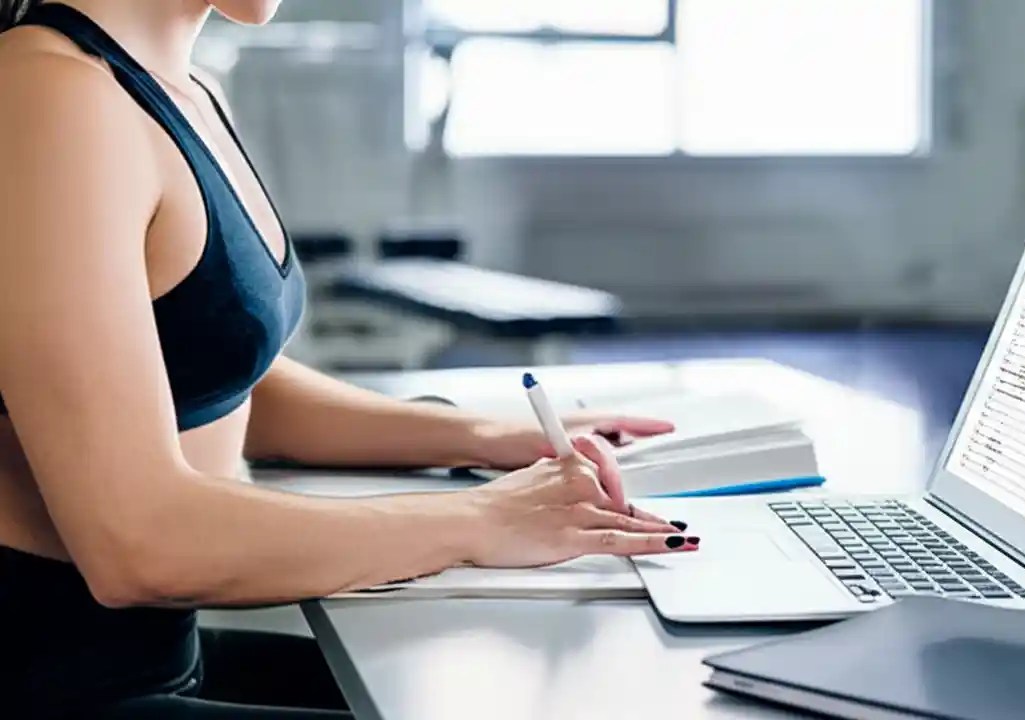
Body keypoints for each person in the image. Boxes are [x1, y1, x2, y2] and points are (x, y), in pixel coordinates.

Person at [0, 1, 698, 717]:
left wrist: (482, 438)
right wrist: (479, 521)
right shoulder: (50, 94)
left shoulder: (181, 88)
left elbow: (210, 380)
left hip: (160, 658)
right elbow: (138, 542)